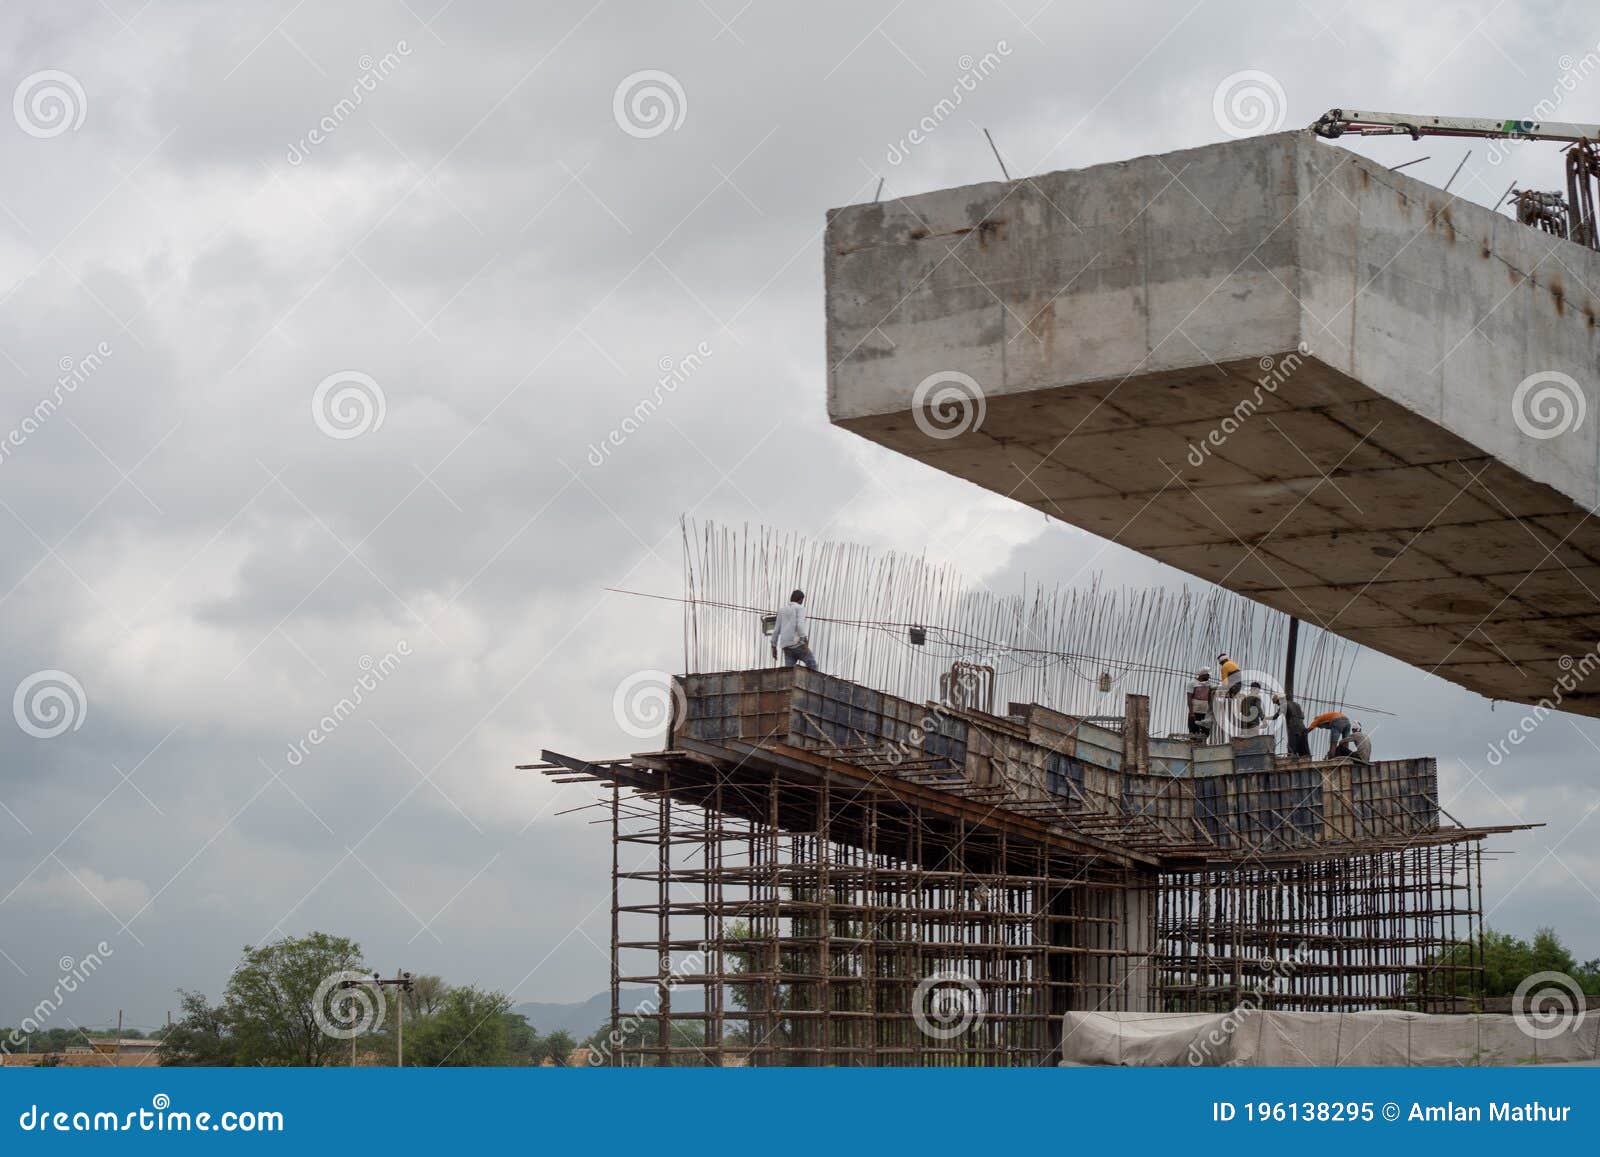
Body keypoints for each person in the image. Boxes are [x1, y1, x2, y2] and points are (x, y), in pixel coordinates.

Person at [771, 589, 819, 671]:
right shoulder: (800, 608)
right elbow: (800, 625)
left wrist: (773, 646)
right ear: (800, 600)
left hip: (786, 646)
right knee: (813, 665)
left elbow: (776, 630)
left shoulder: (782, 610)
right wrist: (804, 640)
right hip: (797, 644)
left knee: (789, 672)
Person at [1186, 668, 1215, 741]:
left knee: (1205, 730)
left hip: (1205, 711)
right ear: (1203, 675)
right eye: (1207, 675)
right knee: (1194, 729)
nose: (1209, 677)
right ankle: (1194, 745)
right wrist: (1191, 712)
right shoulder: (1192, 683)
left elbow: (1215, 689)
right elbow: (1189, 698)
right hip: (1195, 710)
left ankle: (1202, 744)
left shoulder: (1208, 684)